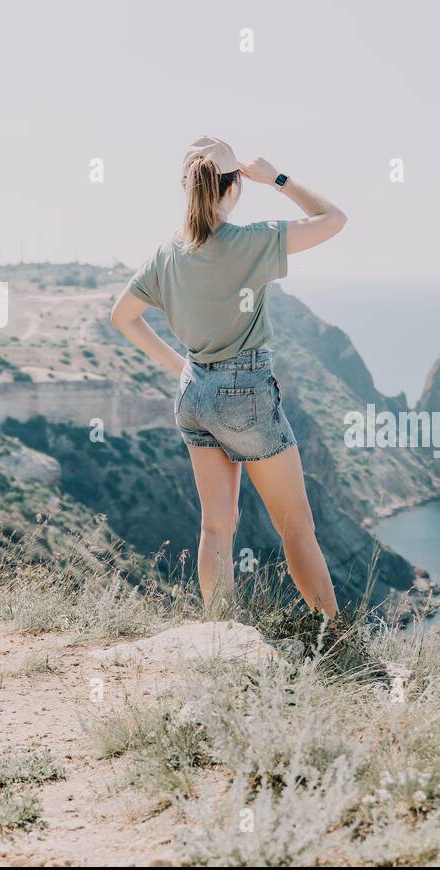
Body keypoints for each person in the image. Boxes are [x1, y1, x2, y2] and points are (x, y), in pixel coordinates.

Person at [110, 135, 347, 619]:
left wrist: (182, 367)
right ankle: (335, 639)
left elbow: (123, 317)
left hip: (194, 394)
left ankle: (219, 632)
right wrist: (278, 178)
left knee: (216, 528)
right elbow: (333, 220)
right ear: (233, 185)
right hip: (246, 394)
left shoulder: (166, 255)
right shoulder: (251, 241)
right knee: (296, 527)